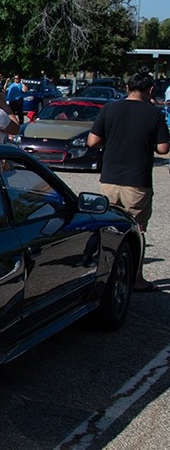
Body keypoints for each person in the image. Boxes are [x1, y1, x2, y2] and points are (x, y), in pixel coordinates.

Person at [87, 72, 170, 291]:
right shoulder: (154, 114)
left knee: (109, 226)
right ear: (150, 90)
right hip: (137, 180)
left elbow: (92, 141)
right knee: (137, 229)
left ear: (127, 87)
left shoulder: (109, 109)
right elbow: (163, 148)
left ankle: (105, 273)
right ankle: (136, 278)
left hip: (110, 178)